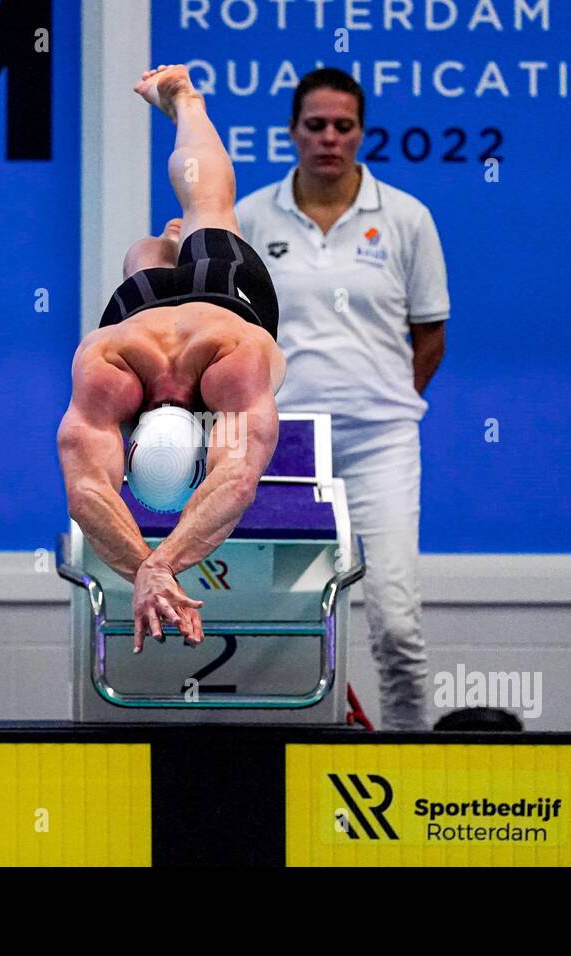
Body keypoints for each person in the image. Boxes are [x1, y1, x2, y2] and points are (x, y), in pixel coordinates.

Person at [234, 68, 450, 731]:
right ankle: (287, 759)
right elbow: (235, 337)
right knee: (280, 623)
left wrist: (378, 403)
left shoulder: (407, 218)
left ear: (361, 132)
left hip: (381, 443)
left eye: (343, 126)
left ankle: (413, 763)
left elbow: (431, 334)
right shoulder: (248, 218)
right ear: (293, 131)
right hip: (283, 445)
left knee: (397, 624)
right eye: (316, 125)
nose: (329, 138)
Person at [57, 65, 286, 654]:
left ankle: (187, 100)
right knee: (151, 254)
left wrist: (152, 570)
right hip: (144, 315)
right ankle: (166, 234)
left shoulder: (235, 359)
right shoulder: (107, 358)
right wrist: (152, 567)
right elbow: (87, 496)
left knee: (210, 205)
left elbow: (232, 484)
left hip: (219, 308)